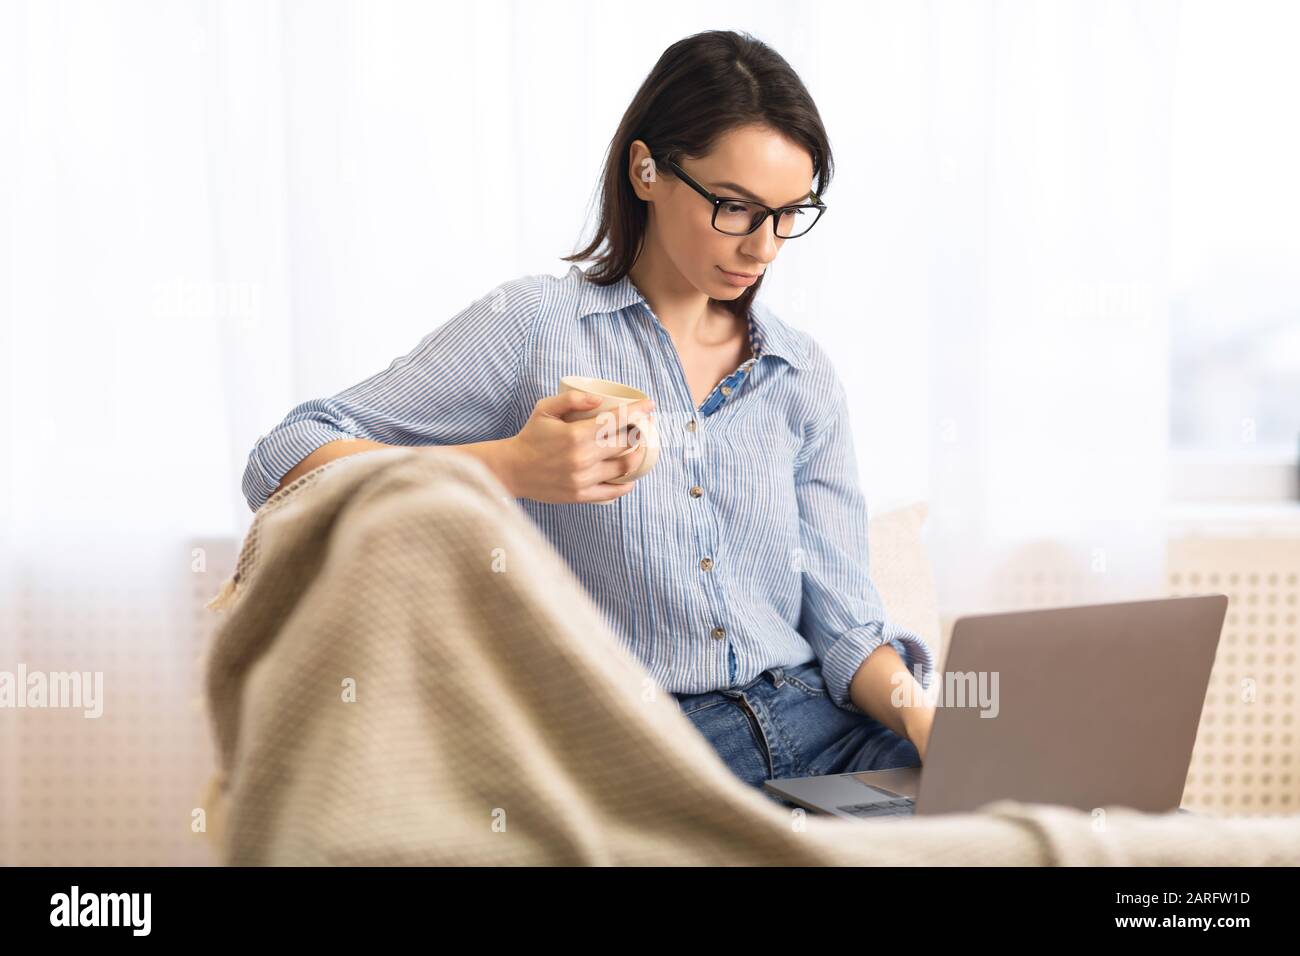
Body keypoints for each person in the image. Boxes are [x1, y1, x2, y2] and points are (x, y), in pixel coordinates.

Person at [241, 29, 937, 800]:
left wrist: (924, 719)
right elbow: (283, 459)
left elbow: (845, 629)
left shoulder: (801, 374)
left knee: (1001, 827)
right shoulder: (536, 326)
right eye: (736, 209)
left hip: (821, 728)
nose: (764, 247)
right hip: (635, 741)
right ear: (647, 169)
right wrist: (509, 466)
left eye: (788, 214)